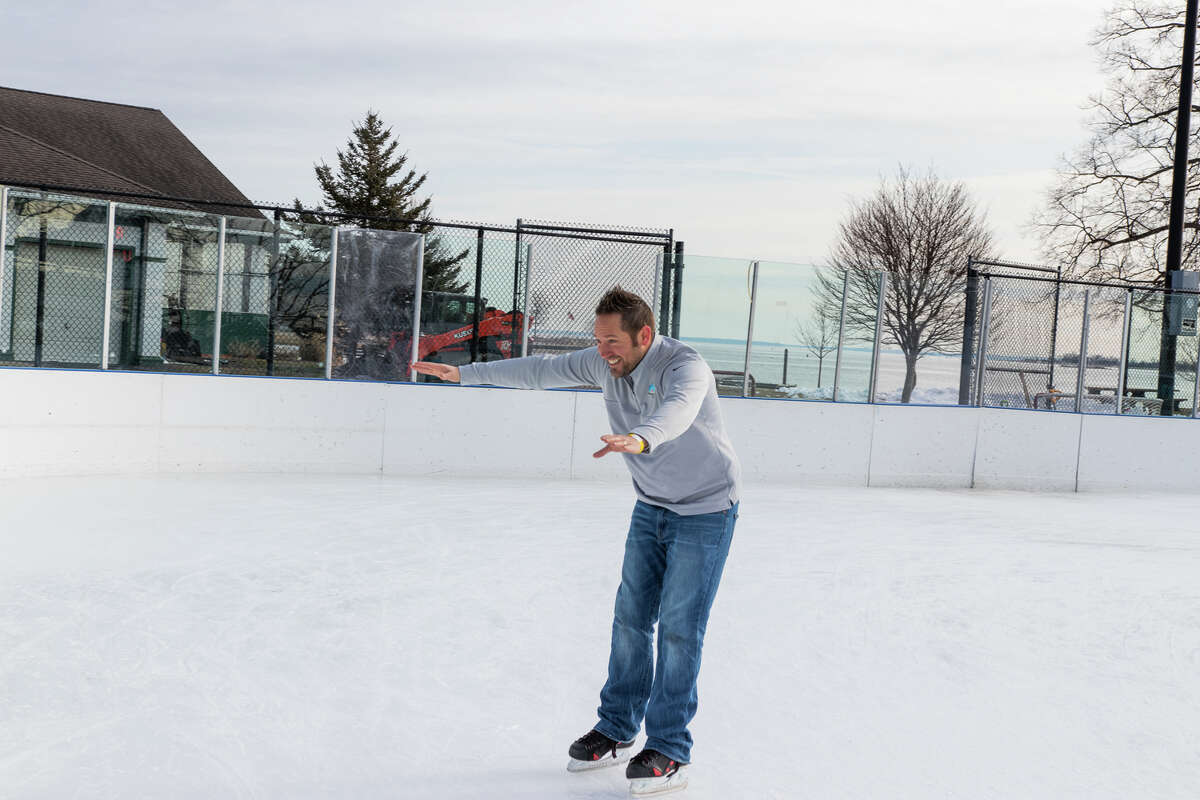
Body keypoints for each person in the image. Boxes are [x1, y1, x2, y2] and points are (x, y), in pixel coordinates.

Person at [413, 286, 740, 797]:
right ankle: (616, 728)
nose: (602, 349)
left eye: (612, 340)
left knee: (679, 628)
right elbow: (541, 369)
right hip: (651, 505)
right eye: (598, 339)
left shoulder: (685, 367)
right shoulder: (602, 361)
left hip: (705, 510)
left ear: (644, 336)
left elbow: (677, 411)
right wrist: (465, 372)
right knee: (631, 619)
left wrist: (641, 437)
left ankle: (671, 747)